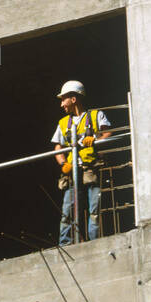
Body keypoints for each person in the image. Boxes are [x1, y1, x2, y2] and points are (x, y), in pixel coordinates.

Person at [52, 80, 113, 246]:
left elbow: (107, 133)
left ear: (73, 99)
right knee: (67, 211)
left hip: (91, 169)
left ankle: (93, 242)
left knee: (94, 209)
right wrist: (63, 163)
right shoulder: (63, 123)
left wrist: (94, 139)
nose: (61, 104)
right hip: (72, 172)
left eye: (63, 99)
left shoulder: (95, 116)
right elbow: (57, 146)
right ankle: (65, 243)